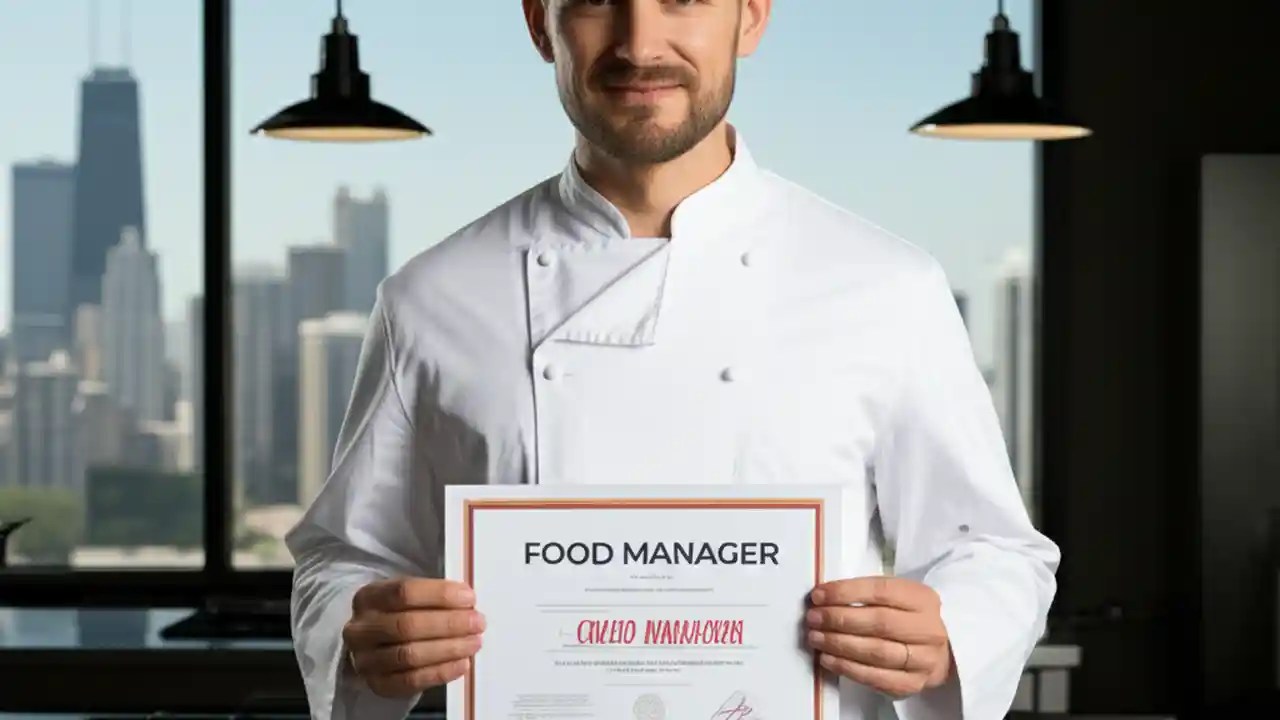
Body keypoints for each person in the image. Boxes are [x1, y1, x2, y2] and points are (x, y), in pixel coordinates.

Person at [284, 1, 1061, 718]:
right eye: (596, 0)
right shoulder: (430, 297)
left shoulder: (887, 286)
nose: (639, 43)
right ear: (540, 23)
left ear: (750, 17)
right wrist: (361, 631)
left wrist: (949, 634)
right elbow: (343, 557)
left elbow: (993, 550)